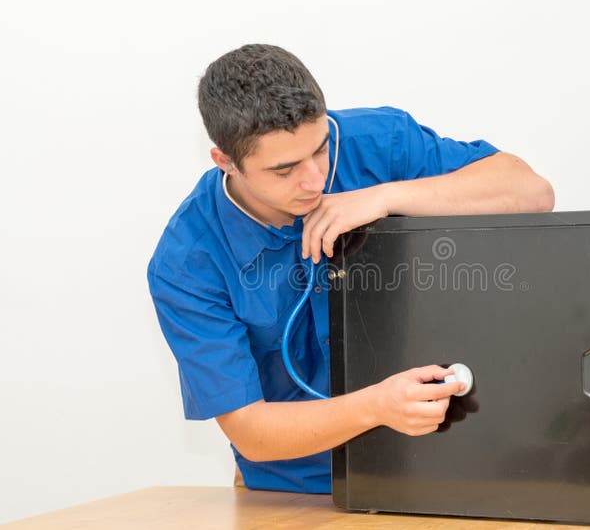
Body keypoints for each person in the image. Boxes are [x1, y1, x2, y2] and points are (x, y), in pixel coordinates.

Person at [147, 44, 554, 494]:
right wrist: (377, 406)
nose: (314, 179)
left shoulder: (380, 141)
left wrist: (385, 197)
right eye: (284, 170)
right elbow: (251, 431)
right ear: (225, 161)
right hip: (293, 490)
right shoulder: (186, 263)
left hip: (435, 467)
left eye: (320, 149)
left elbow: (531, 193)